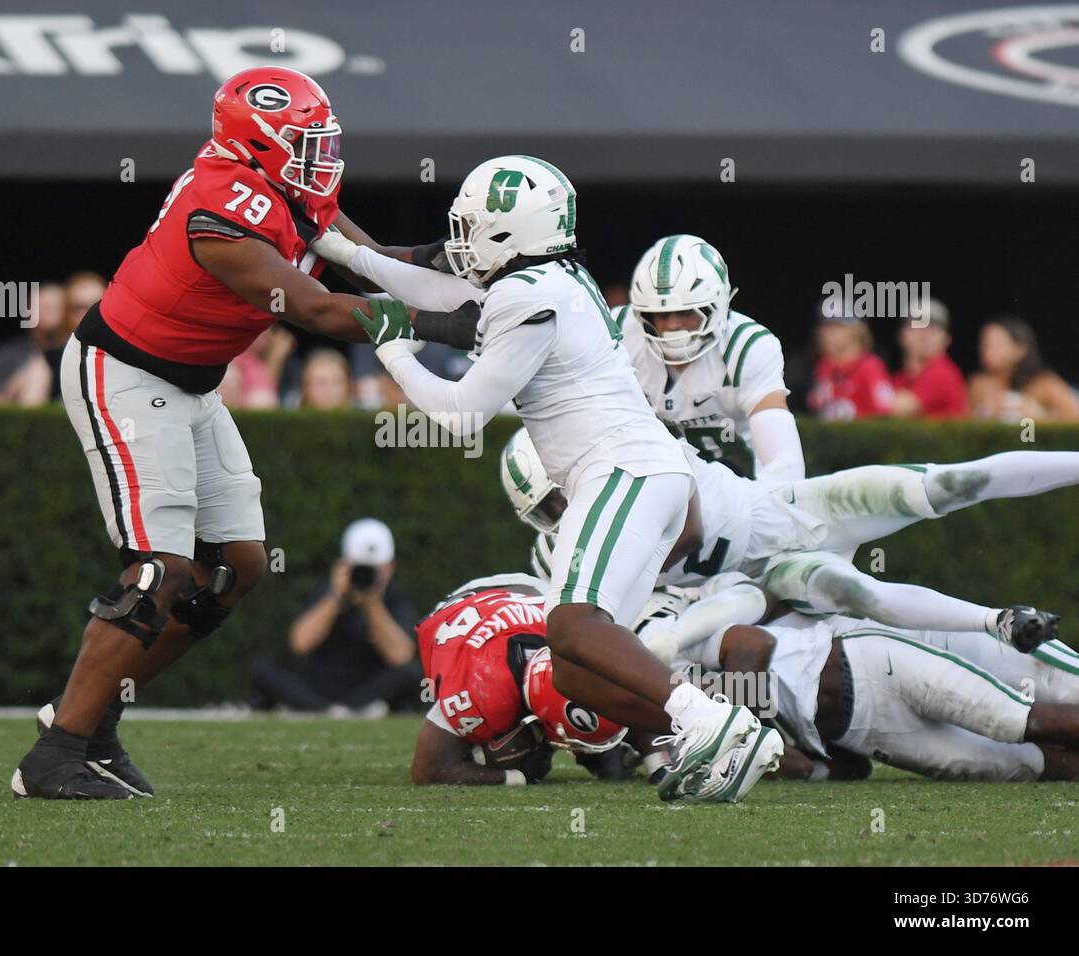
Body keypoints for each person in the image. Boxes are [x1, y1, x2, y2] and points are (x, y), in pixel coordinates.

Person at [12, 66, 470, 800]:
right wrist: (454, 323)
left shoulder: (291, 188)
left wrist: (482, 272)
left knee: (235, 566)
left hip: (192, 380)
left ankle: (90, 722)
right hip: (125, 372)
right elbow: (318, 310)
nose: (321, 156)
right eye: (304, 141)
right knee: (157, 572)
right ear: (256, 141)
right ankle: (56, 754)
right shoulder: (219, 210)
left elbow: (381, 267)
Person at [311, 154, 769, 803]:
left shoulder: (527, 297)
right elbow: (425, 287)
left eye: (475, 226)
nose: (463, 241)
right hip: (650, 475)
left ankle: (710, 723)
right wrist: (337, 246)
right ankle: (713, 729)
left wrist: (389, 350)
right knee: (579, 671)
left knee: (571, 627)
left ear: (510, 233)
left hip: (621, 472)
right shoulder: (551, 279)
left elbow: (464, 415)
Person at [501, 424, 1069, 659]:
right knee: (862, 595)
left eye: (565, 493)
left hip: (791, 514)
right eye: (553, 508)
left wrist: (635, 571)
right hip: (766, 580)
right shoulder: (570, 549)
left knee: (947, 485)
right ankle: (998, 620)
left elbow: (691, 527)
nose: (569, 510)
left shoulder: (631, 449)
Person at [410, 573, 782, 800]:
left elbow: (620, 686)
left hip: (526, 592)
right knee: (511, 752)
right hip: (463, 609)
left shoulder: (581, 644)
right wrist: (517, 776)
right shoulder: (480, 692)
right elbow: (429, 769)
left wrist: (659, 765)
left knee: (596, 650)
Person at [705, 618, 1079, 782]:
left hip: (870, 666)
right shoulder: (687, 723)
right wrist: (800, 769)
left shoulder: (674, 631)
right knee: (1010, 766)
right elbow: (853, 770)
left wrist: (745, 735)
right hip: (865, 731)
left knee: (1010, 719)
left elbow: (749, 644)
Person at [621, 235, 804, 482]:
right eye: (661, 315)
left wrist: (771, 509)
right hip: (657, 489)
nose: (673, 325)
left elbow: (784, 465)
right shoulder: (621, 334)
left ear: (717, 306)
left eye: (686, 311)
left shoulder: (746, 347)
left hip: (741, 493)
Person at [251, 518, 420, 715]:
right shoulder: (327, 591)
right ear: (344, 565)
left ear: (391, 567)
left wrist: (371, 602)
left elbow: (401, 657)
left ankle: (342, 710)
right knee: (261, 668)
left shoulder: (395, 599)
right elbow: (300, 644)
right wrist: (336, 597)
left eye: (376, 569)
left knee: (411, 673)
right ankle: (331, 710)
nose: (368, 575)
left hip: (368, 690)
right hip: (318, 688)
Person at [968, 316, 1079, 423]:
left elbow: (1074, 416)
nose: (988, 350)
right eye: (985, 343)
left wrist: (1042, 415)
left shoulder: (1043, 382)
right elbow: (964, 423)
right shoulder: (978, 384)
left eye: (997, 344)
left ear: (1020, 349)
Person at [0, 283, 67, 406]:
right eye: (42, 307)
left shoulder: (77, 354)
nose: (49, 313)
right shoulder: (6, 353)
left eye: (55, 307)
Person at [889, 298, 967, 419]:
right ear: (902, 335)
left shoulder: (943, 372)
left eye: (934, 329)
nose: (925, 334)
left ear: (947, 339)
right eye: (917, 325)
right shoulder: (900, 379)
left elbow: (895, 408)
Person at [806, 311, 893, 420]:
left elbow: (885, 413)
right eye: (824, 328)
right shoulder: (823, 366)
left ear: (855, 330)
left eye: (835, 327)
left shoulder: (870, 366)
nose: (826, 334)